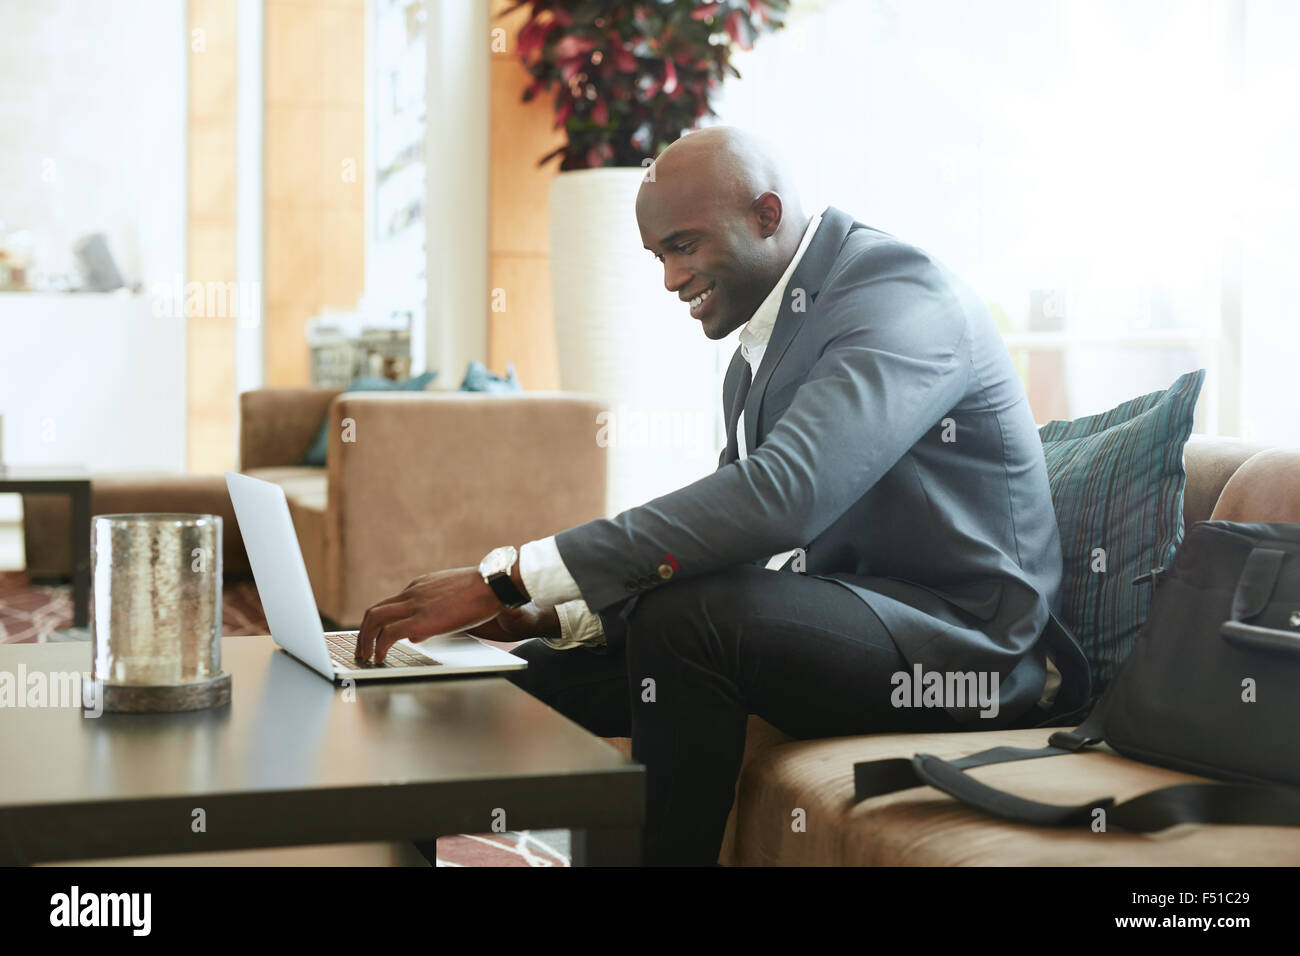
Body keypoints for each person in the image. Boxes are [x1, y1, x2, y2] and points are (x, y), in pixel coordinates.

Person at [353, 126, 1091, 866]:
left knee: (692, 619)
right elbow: (714, 539)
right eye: (659, 257)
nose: (672, 279)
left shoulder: (897, 292)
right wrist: (540, 613)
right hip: (868, 627)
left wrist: (508, 572)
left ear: (767, 214)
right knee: (514, 679)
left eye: (684, 246)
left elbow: (782, 496)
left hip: (977, 659)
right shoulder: (754, 356)